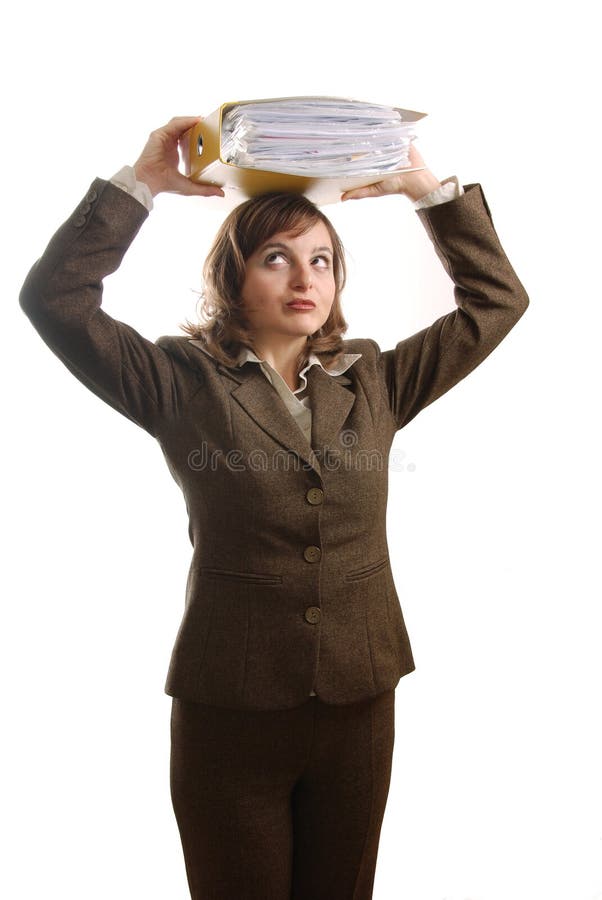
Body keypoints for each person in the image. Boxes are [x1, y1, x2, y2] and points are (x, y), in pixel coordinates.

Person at [19, 115, 529, 900]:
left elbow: (496, 302)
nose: (306, 278)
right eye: (277, 258)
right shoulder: (179, 380)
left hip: (360, 703)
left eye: (322, 260)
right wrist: (143, 182)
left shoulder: (377, 381)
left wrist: (425, 190)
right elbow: (55, 297)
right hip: (231, 712)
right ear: (233, 278)